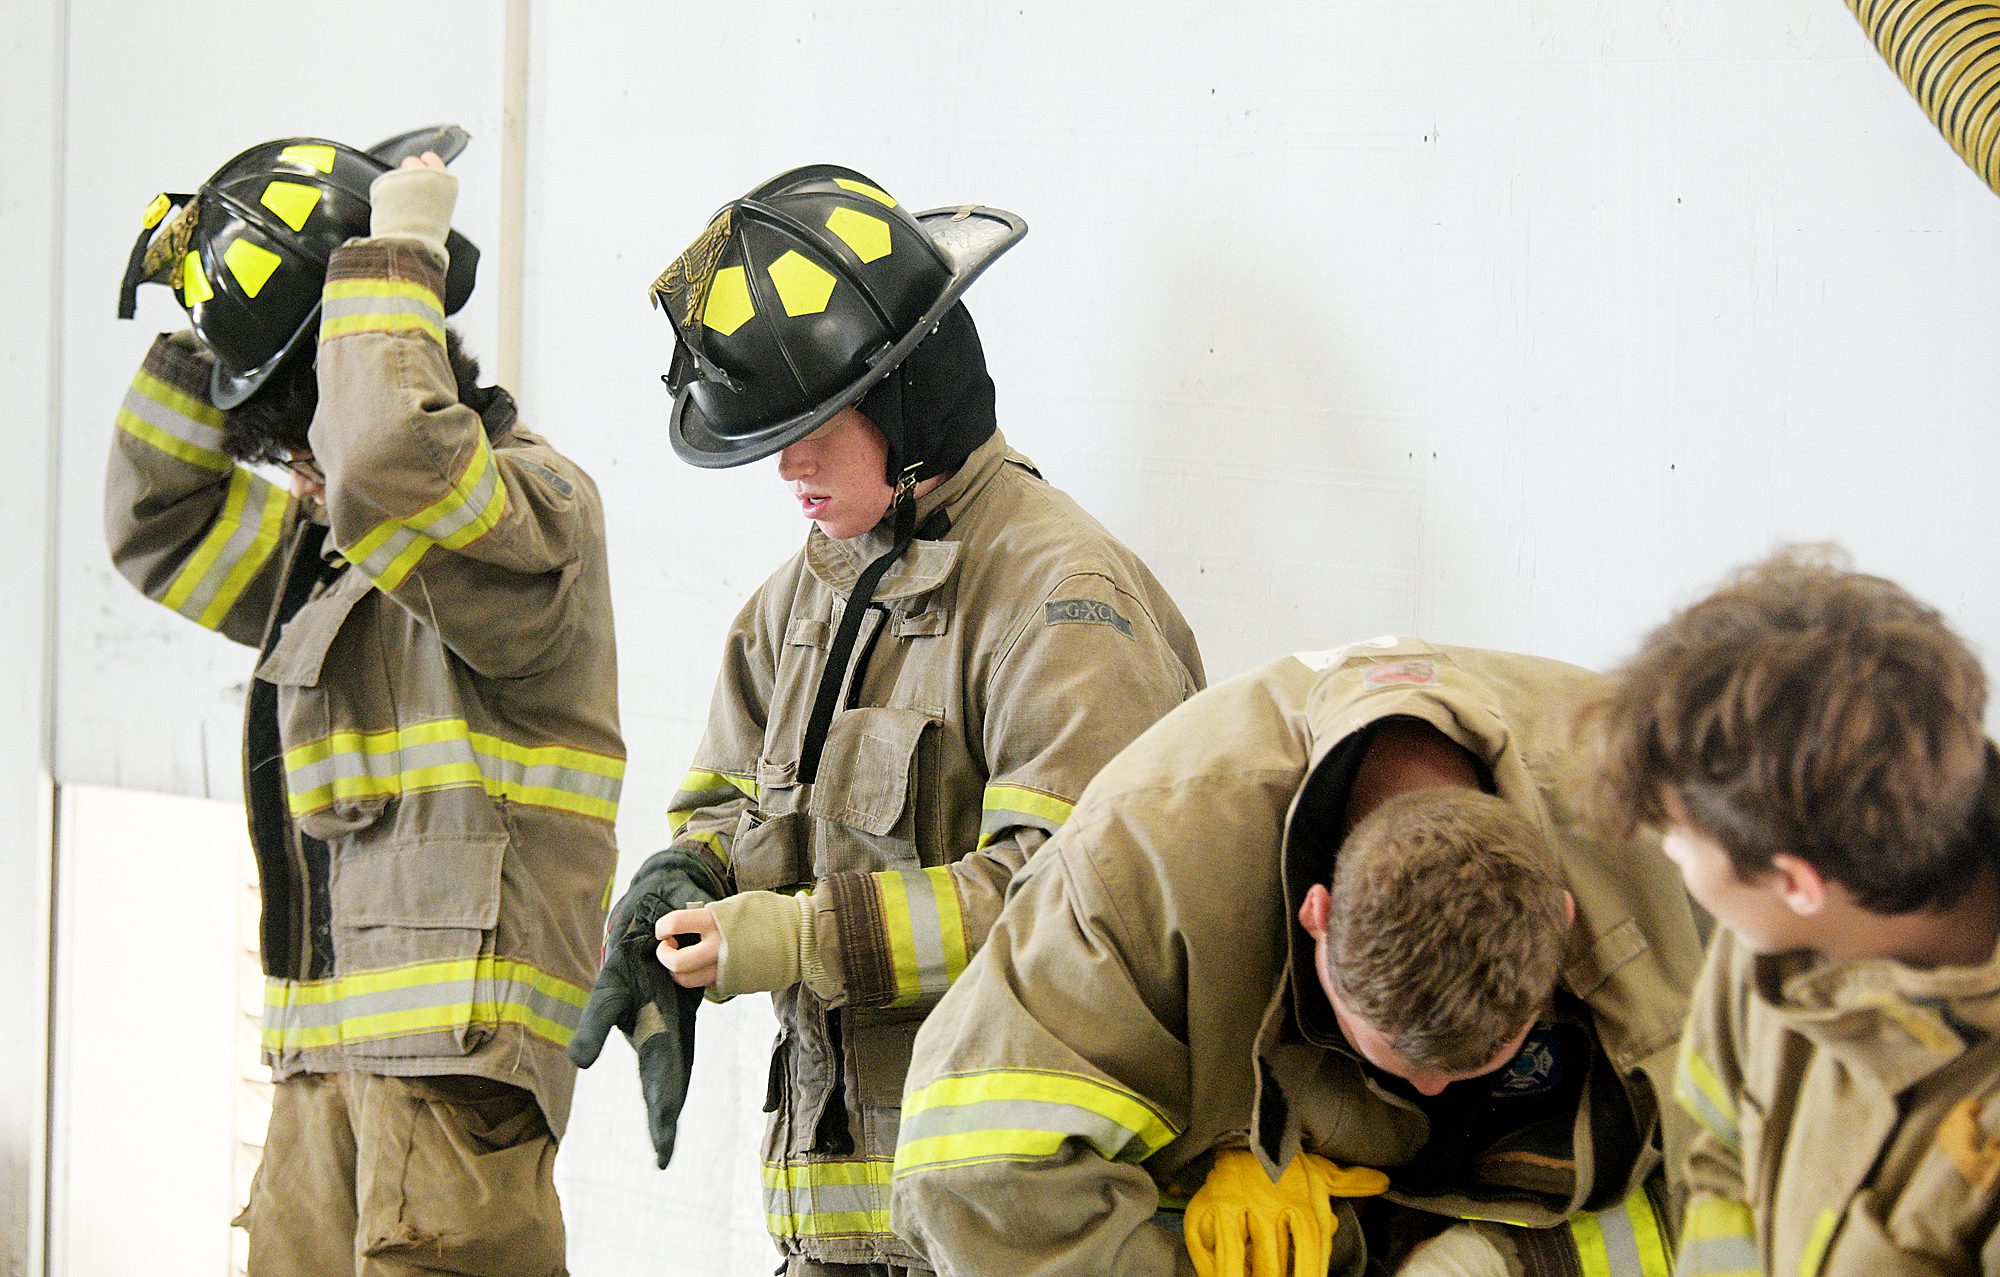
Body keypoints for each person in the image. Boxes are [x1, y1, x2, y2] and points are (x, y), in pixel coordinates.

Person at [566, 164, 1204, 1275]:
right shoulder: (792, 604)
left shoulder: (1059, 597)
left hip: (1013, 1235)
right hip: (839, 1236)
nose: (786, 464)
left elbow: (1063, 908)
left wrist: (793, 938)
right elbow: (730, 809)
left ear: (912, 397)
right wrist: (682, 887)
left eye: (816, 422)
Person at [108, 129, 621, 1276]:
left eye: (302, 447)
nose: (299, 479)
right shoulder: (338, 552)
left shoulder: (528, 511)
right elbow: (157, 521)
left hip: (453, 1068)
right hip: (322, 1052)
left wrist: (393, 253)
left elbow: (393, 454)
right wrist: (234, 309)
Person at [892, 637, 1705, 1277]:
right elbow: (969, 1172)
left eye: (1476, 1060)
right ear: (1317, 917)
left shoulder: (1685, 841)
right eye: (1394, 1051)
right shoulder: (1144, 865)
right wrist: (1214, 1167)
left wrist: (1499, 1264)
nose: (1426, 1087)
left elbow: (1787, 1172)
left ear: (1562, 926)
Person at [1585, 549, 2000, 1277]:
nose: (1671, 854)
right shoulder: (1765, 936)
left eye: (1679, 835)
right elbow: (1719, 1154)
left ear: (1797, 882)